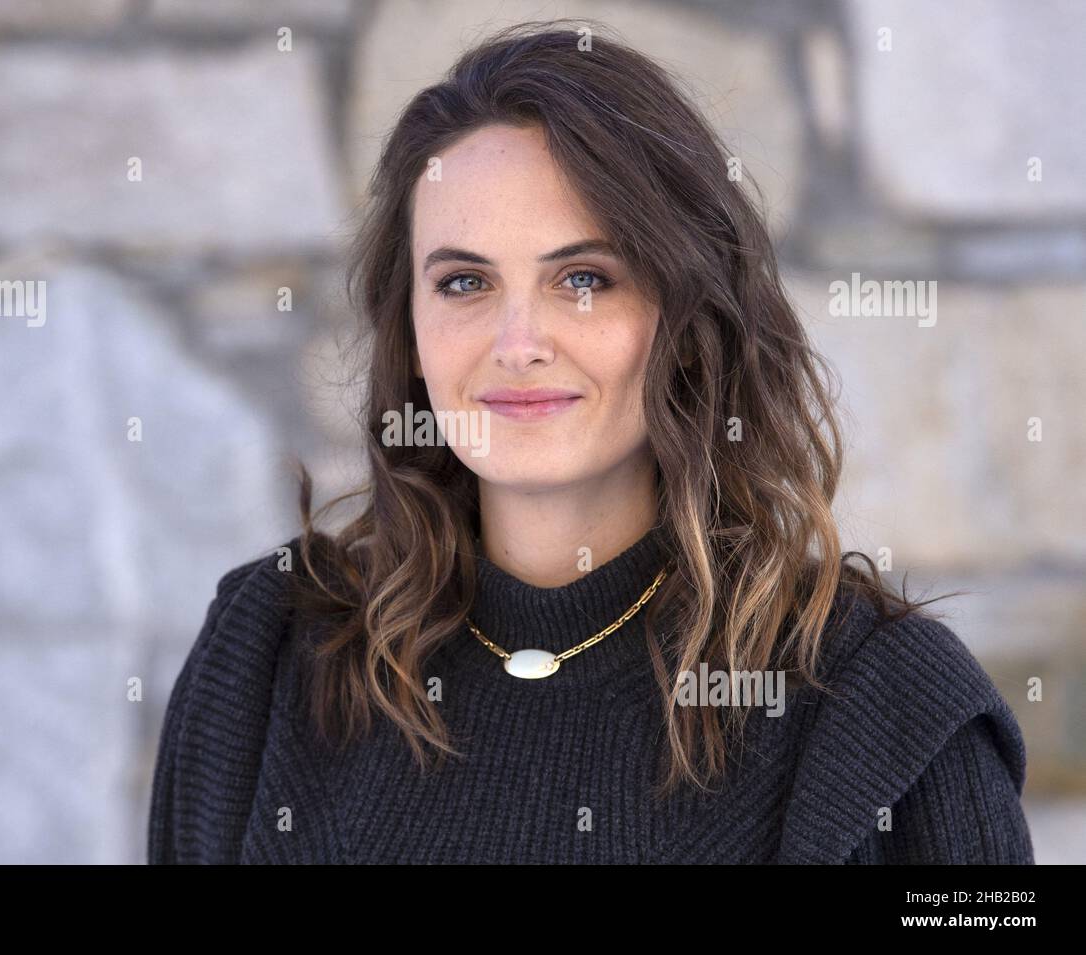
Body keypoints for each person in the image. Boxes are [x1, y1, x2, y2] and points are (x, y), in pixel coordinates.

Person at [148, 19, 1035, 864]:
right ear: (408, 328)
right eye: (464, 282)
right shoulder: (267, 656)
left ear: (688, 317)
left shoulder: (881, 713)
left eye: (583, 277)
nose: (518, 340)